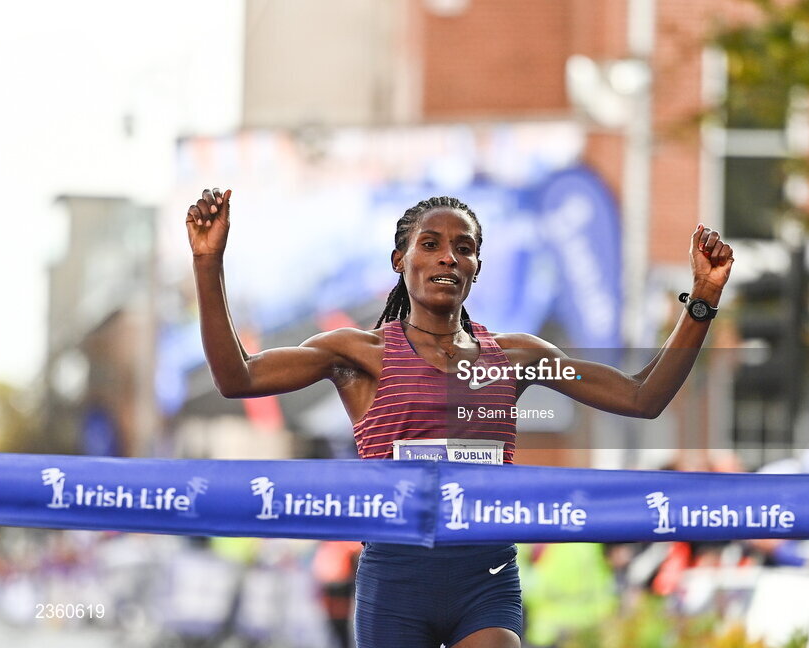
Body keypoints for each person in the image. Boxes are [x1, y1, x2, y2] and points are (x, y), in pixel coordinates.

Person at [186, 188, 734, 648]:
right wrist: (208, 265)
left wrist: (702, 301)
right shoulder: (358, 354)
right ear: (400, 261)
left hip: (485, 574)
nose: (448, 256)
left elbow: (642, 398)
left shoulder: (516, 356)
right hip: (397, 579)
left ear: (476, 268)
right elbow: (239, 378)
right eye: (431, 244)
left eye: (463, 247)